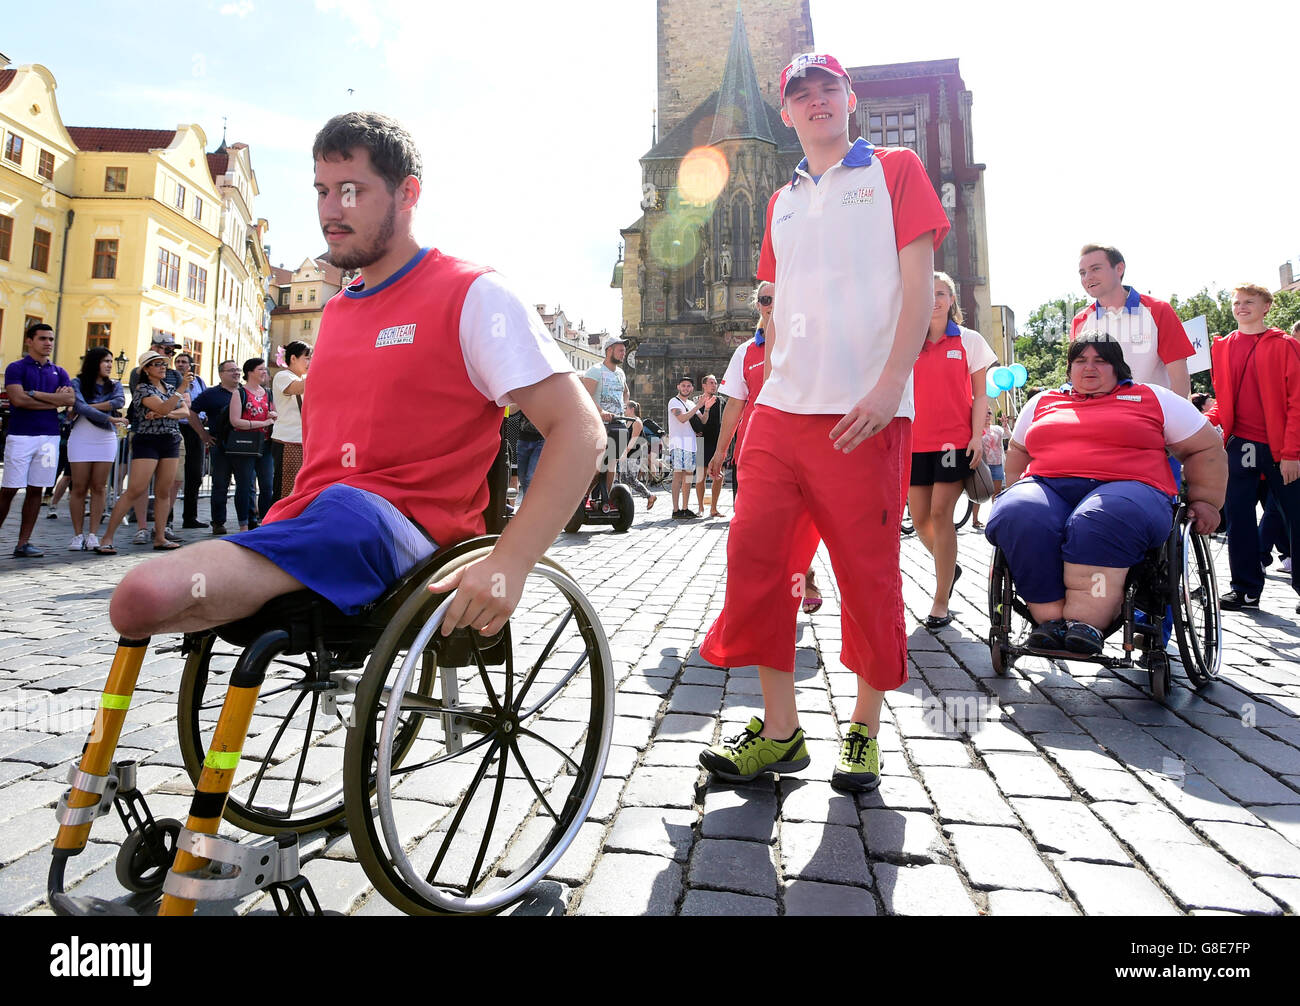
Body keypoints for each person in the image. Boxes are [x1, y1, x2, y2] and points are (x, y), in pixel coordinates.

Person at [107, 110, 602, 656]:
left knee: (141, 595)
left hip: (397, 527)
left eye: (351, 191)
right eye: (322, 191)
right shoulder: (339, 310)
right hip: (317, 516)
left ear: (407, 193)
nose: (330, 210)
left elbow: (580, 430)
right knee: (151, 601)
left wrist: (510, 561)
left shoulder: (474, 294)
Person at [697, 52, 950, 792]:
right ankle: (780, 732)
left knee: (865, 573)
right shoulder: (780, 201)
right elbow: (779, 304)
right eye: (801, 94)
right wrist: (772, 376)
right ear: (786, 112)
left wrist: (890, 385)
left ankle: (863, 730)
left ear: (849, 97)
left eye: (827, 89)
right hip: (783, 410)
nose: (816, 101)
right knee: (757, 563)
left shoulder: (895, 170)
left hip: (863, 411)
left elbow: (917, 287)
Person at [985, 337, 1226, 653]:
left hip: (1130, 488)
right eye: (1080, 360)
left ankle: (1086, 620)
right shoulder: (1043, 401)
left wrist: (1206, 500)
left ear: (1118, 367)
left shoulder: (1153, 397)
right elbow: (1018, 450)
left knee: (1099, 519)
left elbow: (1206, 447)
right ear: (1069, 368)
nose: (1089, 367)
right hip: (1050, 486)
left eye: (1100, 360)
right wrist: (1015, 488)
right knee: (1019, 513)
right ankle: (1049, 620)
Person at [713, 281, 822, 613]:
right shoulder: (746, 352)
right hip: (753, 452)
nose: (771, 303)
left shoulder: (806, 343)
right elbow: (735, 404)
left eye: (777, 297)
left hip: (798, 449)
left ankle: (805, 578)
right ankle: (766, 595)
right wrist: (720, 451)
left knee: (795, 526)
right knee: (755, 528)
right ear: (758, 305)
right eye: (764, 299)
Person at [909, 271, 997, 628]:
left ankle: (940, 600)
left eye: (941, 293)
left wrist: (977, 436)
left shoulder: (968, 340)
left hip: (953, 443)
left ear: (952, 299)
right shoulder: (908, 340)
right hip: (914, 443)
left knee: (940, 513)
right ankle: (949, 565)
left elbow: (980, 395)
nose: (935, 299)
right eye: (928, 293)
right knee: (919, 520)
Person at [1207, 283, 1300, 612]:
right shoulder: (1223, 346)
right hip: (1239, 444)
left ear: (1266, 307)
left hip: (1281, 449)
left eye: (1249, 301)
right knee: (1238, 518)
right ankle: (1245, 590)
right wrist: (1205, 420)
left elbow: (1296, 401)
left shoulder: (1285, 345)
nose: (1241, 307)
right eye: (1236, 302)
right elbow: (1224, 401)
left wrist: (1292, 453)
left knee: (1295, 517)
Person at [94, 350, 188, 554]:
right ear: (146, 369)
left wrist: (166, 413)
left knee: (163, 491)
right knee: (135, 489)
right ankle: (107, 538)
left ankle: (160, 537)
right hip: (148, 440)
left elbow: (184, 411)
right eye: (157, 364)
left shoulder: (169, 388)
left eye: (164, 363)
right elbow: (164, 408)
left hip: (170, 439)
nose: (163, 367)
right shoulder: (142, 389)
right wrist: (175, 398)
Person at [1071, 244, 1194, 398]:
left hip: (1151, 411)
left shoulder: (1159, 310)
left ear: (1119, 268)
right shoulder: (1080, 321)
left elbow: (1180, 378)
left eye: (1095, 269)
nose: (1087, 277)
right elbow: (1078, 381)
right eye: (1082, 273)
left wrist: (1172, 413)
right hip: (1101, 411)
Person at [2, 322, 74, 556]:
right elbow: (18, 400)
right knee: (9, 489)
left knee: (36, 489)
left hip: (49, 437)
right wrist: (53, 401)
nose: (48, 343)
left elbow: (70, 400)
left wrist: (35, 395)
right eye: (43, 338)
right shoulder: (16, 368)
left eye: (51, 339)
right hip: (21, 436)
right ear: (29, 341)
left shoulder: (59, 371)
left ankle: (23, 543)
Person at [67, 346, 126, 550]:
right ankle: (77, 535)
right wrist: (108, 416)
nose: (109, 365)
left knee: (99, 486)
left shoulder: (115, 385)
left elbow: (119, 401)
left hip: (105, 438)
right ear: (94, 362)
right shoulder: (77, 383)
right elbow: (80, 406)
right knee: (79, 486)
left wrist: (87, 407)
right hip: (82, 436)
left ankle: (93, 534)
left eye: (111, 361)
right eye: (105, 361)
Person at [126, 332, 181, 544]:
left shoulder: (174, 377)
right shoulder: (139, 374)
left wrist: (165, 413)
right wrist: (165, 409)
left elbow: (183, 408)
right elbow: (150, 403)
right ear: (154, 348)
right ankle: (141, 527)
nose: (170, 355)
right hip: (145, 431)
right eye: (167, 350)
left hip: (170, 433)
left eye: (171, 352)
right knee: (141, 484)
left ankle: (162, 527)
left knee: (170, 483)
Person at [187, 360, 241, 536]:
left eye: (237, 369)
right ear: (221, 374)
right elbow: (191, 412)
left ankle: (247, 520)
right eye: (231, 370)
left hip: (244, 445)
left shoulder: (245, 392)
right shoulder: (211, 394)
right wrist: (203, 434)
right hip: (220, 445)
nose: (236, 373)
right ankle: (218, 522)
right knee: (220, 484)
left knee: (246, 485)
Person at [228, 358, 277, 532]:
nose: (264, 372)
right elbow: (235, 421)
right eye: (260, 369)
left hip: (265, 444)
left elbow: (274, 414)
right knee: (244, 486)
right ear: (250, 372)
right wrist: (262, 423)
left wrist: (273, 415)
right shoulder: (239, 393)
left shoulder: (268, 393)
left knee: (267, 486)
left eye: (264, 369)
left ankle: (265, 523)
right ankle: (244, 524)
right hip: (245, 445)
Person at [582, 334, 631, 502]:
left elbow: (626, 392)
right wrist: (602, 411)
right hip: (600, 425)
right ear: (609, 350)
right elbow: (586, 397)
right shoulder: (595, 371)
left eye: (624, 351)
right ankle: (584, 496)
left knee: (612, 463)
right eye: (620, 350)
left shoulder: (621, 373)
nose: (623, 354)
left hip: (618, 424)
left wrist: (624, 407)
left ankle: (606, 500)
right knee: (598, 465)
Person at [271, 340, 311, 501]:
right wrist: (323, 367)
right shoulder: (283, 376)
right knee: (285, 490)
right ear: (293, 358)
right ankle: (276, 517)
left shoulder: (305, 377)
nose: (310, 362)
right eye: (307, 358)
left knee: (300, 490)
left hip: (303, 440)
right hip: (288, 440)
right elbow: (298, 388)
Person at [173, 351, 208, 528]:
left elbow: (205, 402)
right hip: (177, 427)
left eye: (184, 362)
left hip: (195, 429)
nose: (180, 364)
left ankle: (190, 517)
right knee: (173, 477)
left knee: (195, 475)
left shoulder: (200, 382)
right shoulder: (171, 381)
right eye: (178, 361)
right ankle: (167, 520)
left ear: (191, 365)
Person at [667, 376, 706, 518]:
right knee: (678, 475)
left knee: (688, 476)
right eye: (683, 385)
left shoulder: (690, 403)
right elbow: (682, 419)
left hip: (691, 445)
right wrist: (697, 406)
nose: (686, 388)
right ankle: (675, 509)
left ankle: (685, 508)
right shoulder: (674, 401)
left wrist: (706, 407)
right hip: (678, 444)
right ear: (678, 387)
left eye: (688, 386)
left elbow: (703, 420)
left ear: (692, 388)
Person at [690, 374, 724, 517]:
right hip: (702, 441)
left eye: (715, 383)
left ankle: (714, 509)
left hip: (717, 442)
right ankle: (701, 508)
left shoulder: (721, 401)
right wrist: (695, 431)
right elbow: (691, 418)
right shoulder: (696, 401)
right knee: (701, 476)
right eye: (711, 383)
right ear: (704, 385)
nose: (714, 385)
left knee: (718, 475)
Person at [970, 407, 1005, 530]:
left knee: (997, 494)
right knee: (979, 492)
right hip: (983, 465)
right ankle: (975, 520)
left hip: (997, 464)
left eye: (989, 413)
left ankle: (994, 518)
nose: (987, 415)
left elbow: (1009, 436)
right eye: (984, 413)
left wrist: (1005, 425)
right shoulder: (977, 430)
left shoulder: (997, 429)